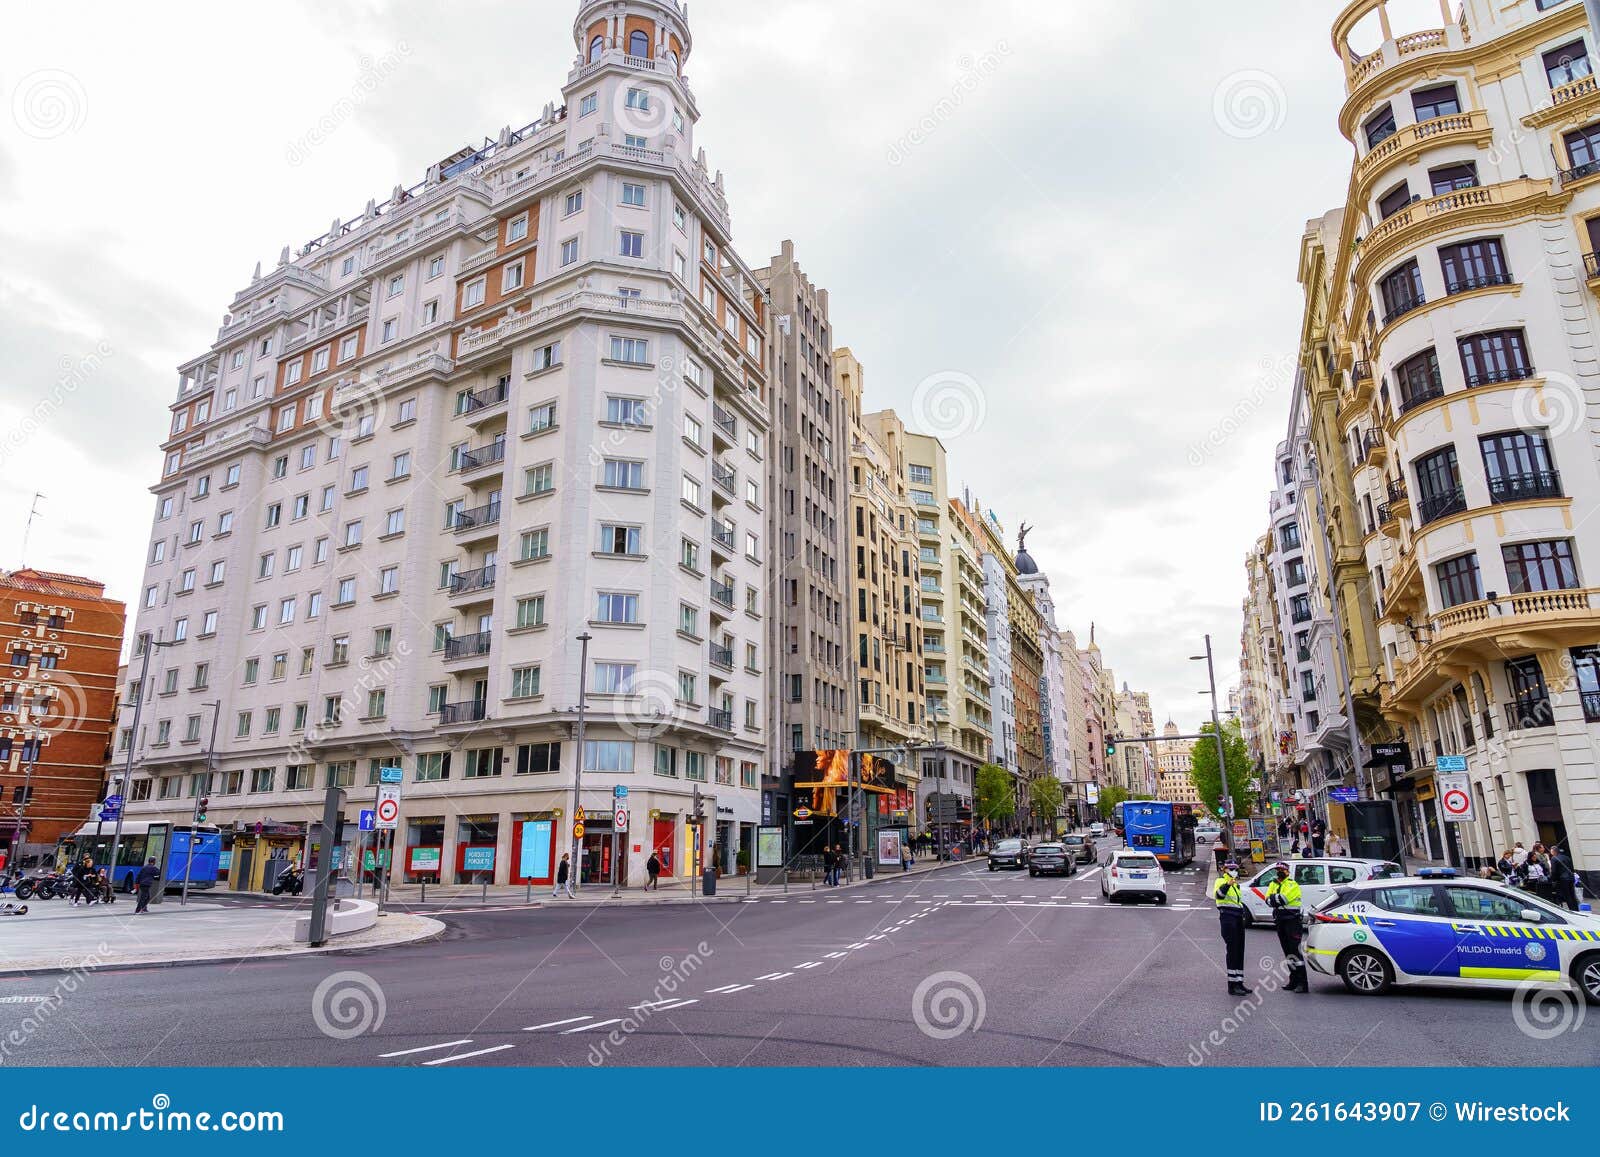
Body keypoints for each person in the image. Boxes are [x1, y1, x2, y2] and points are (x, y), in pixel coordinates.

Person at [1265, 861, 1308, 993]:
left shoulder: (1292, 884)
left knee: (1295, 952)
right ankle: (1293, 980)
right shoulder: (1273, 884)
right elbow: (1267, 900)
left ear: (1287, 872)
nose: (1279, 872)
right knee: (1287, 952)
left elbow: (1283, 899)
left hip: (1292, 921)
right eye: (1277, 870)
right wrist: (1273, 898)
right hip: (1280, 920)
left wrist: (1274, 898)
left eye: (1282, 870)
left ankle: (1302, 983)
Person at [1214, 859, 1252, 996]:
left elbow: (1238, 902)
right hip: (1228, 918)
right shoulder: (1221, 881)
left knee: (1239, 950)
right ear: (1225, 870)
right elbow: (1218, 895)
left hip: (1237, 917)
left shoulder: (1236, 885)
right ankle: (1232, 985)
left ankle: (1239, 982)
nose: (1234, 871)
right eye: (1231, 869)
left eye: (1235, 869)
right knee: (1232, 950)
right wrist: (1227, 885)